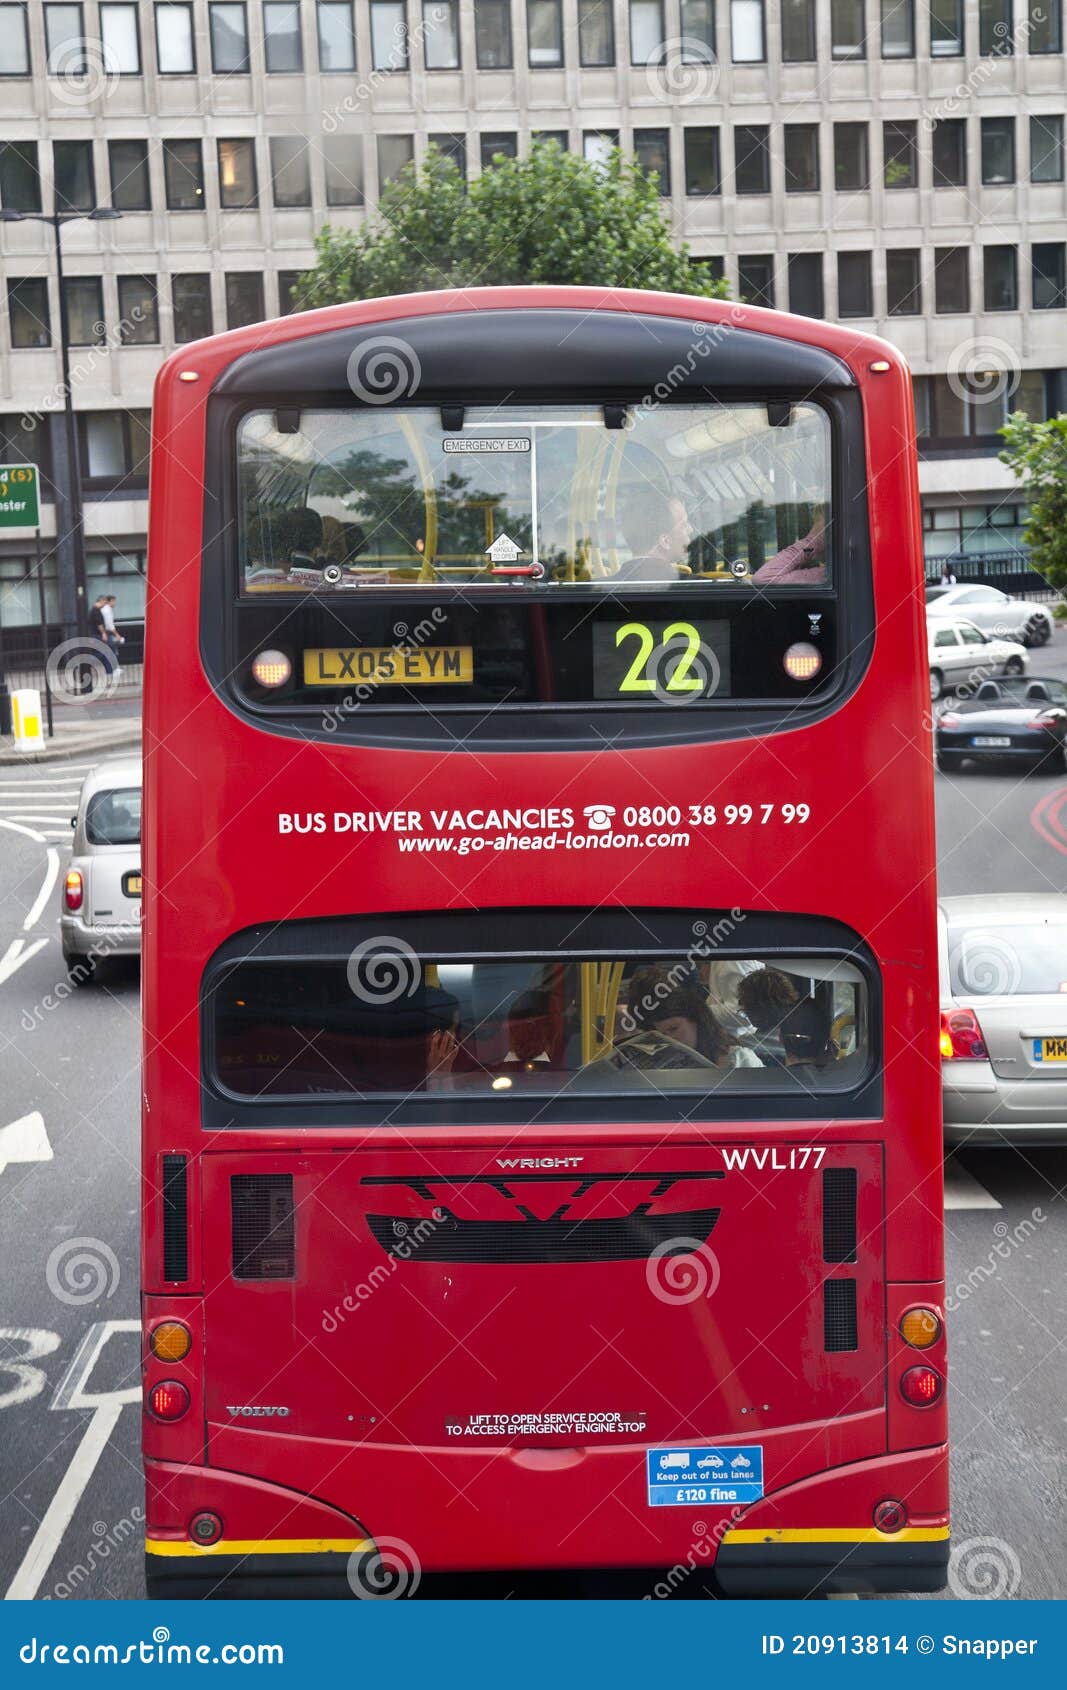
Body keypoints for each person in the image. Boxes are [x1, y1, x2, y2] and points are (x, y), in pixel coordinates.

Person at [599, 968, 762, 1074]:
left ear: (696, 1019)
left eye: (673, 1029)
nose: (668, 1040)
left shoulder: (740, 1061)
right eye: (659, 1035)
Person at [614, 491, 692, 582]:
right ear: (665, 541)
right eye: (683, 525)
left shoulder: (598, 589)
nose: (690, 529)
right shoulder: (702, 589)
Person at [752, 511, 827, 584]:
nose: (811, 530)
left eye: (815, 524)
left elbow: (763, 579)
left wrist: (812, 540)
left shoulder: (827, 575)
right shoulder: (828, 576)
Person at [780, 994, 838, 1070]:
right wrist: (832, 1066)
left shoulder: (765, 1079)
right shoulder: (847, 1079)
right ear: (828, 1041)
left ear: (780, 1038)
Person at [101, 595, 125, 676]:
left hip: (106, 632)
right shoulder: (107, 610)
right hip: (108, 632)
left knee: (110, 650)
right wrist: (117, 635)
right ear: (110, 601)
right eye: (114, 601)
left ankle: (111, 670)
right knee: (112, 650)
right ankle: (113, 670)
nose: (115, 603)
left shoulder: (105, 609)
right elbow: (109, 625)